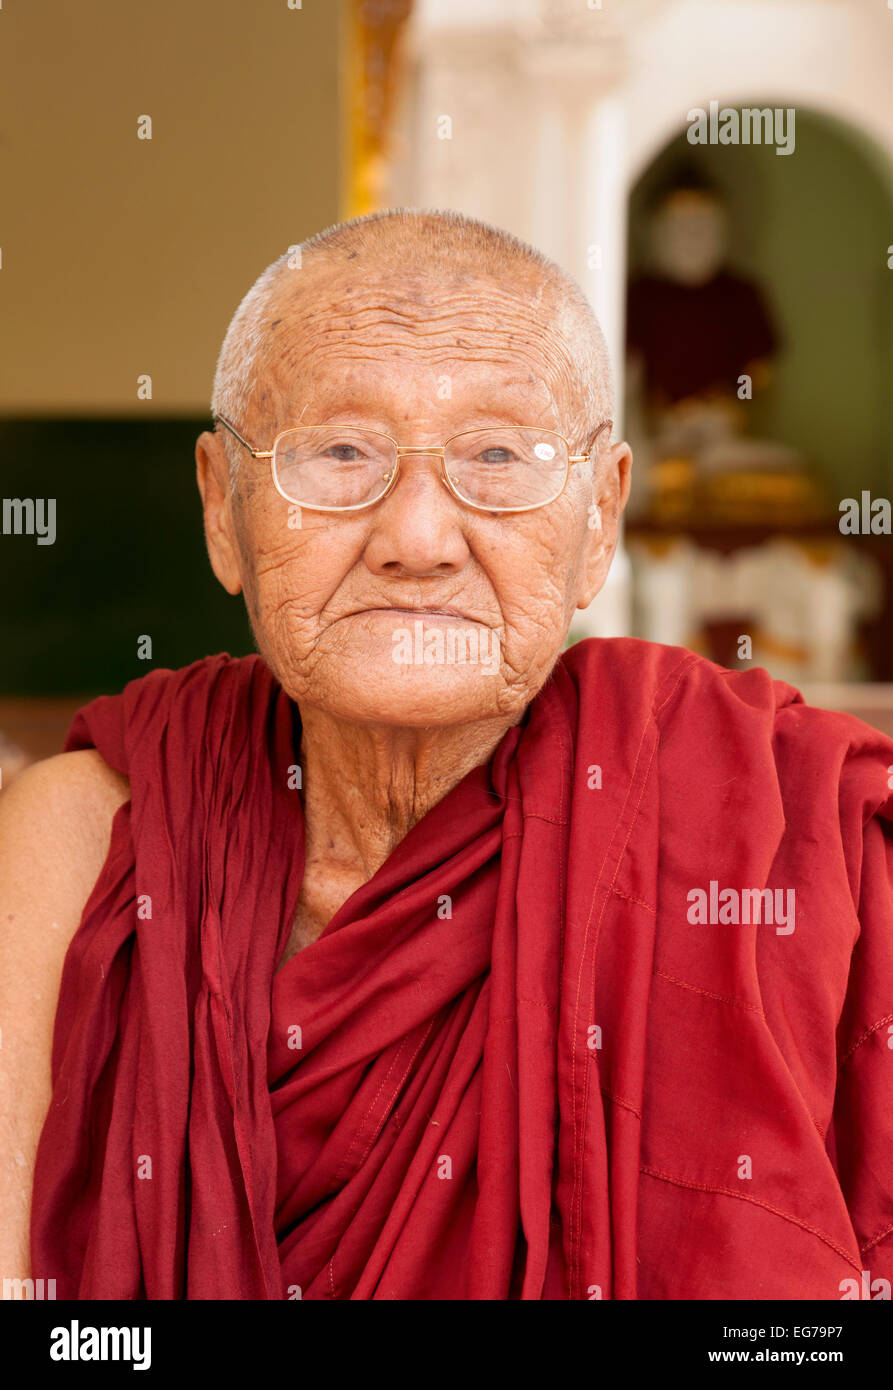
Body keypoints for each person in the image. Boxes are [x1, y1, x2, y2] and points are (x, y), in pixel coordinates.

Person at [1, 209, 891, 1301]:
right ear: (221, 509)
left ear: (599, 517)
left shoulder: (791, 828)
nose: (417, 538)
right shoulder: (84, 838)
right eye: (339, 453)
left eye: (496, 456)